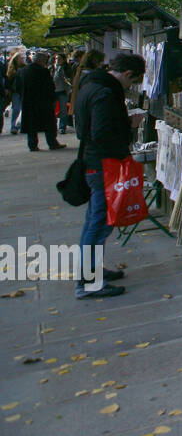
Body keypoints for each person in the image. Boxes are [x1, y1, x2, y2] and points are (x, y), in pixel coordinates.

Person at [73, 52, 146, 300]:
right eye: (132, 82)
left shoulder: (91, 85)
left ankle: (91, 272)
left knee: (94, 222)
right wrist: (130, 127)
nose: (130, 87)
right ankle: (89, 282)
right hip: (104, 164)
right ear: (127, 74)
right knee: (99, 224)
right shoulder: (105, 93)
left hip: (93, 161)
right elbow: (102, 132)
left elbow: (86, 128)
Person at [14, 52, 64, 152]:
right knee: (48, 124)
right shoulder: (43, 71)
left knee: (31, 125)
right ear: (42, 61)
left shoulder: (22, 71)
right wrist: (52, 98)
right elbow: (50, 87)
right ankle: (52, 143)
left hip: (28, 102)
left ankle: (32, 145)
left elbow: (17, 87)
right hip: (43, 102)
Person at [52, 53, 74, 134]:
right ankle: (53, 126)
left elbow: (69, 79)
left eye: (59, 58)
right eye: (56, 58)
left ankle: (62, 127)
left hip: (63, 91)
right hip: (53, 91)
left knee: (63, 110)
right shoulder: (52, 67)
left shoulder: (66, 68)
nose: (57, 60)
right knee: (52, 109)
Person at [5, 48, 25, 133]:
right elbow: (8, 80)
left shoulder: (25, 68)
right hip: (16, 91)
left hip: (23, 91)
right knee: (16, 109)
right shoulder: (12, 69)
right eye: (21, 58)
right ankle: (14, 126)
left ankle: (20, 125)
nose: (22, 59)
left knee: (22, 109)